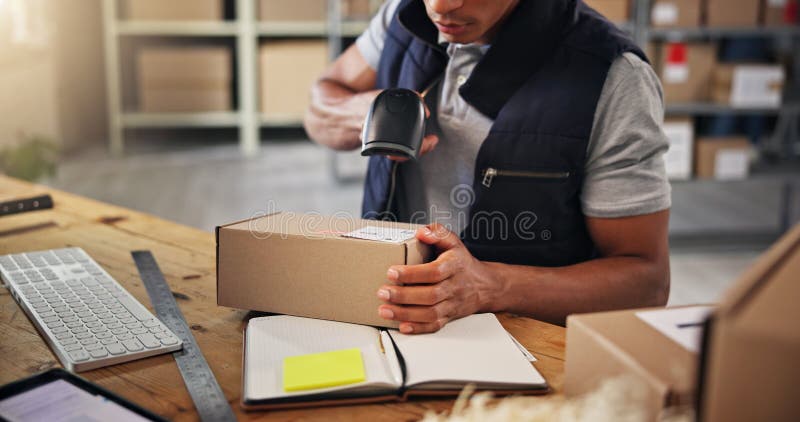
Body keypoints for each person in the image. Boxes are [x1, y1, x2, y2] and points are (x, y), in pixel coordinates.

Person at [304, 0, 672, 333]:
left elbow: (646, 282)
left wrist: (488, 286)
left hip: (529, 349)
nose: (441, 6)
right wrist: (364, 115)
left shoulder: (613, 75)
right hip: (392, 318)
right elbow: (319, 108)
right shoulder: (400, 19)